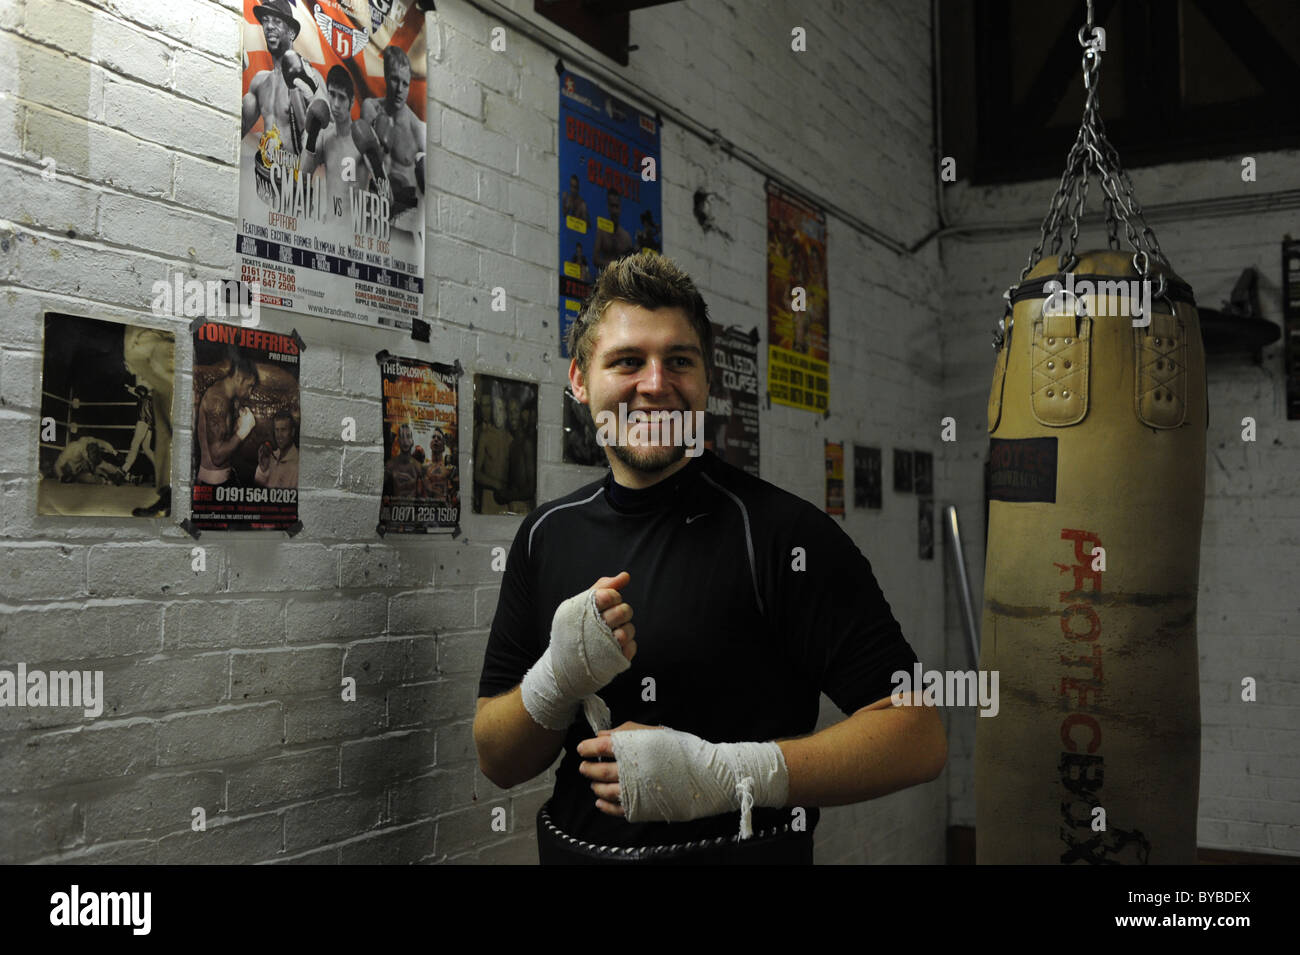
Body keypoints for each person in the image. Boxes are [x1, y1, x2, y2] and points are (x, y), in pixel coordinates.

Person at [474, 250, 945, 864]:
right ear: (580, 380)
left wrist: (726, 773)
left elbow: (918, 735)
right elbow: (498, 762)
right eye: (626, 361)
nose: (654, 383)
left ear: (705, 380)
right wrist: (553, 682)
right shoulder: (545, 535)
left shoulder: (782, 535)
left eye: (679, 361)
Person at [241, 0, 330, 178]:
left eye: (276, 21)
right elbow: (237, 130)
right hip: (264, 182)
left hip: (296, 188)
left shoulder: (310, 77)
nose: (269, 26)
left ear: (291, 32)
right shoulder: (259, 82)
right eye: (265, 20)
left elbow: (323, 121)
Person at [358, 45, 426, 220]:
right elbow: (366, 149)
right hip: (371, 206)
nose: (399, 90)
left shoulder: (417, 128)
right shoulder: (371, 108)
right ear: (386, 77)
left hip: (403, 214)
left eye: (405, 84)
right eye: (395, 80)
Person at [196, 356, 259, 486]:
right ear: (239, 378)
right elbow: (217, 457)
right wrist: (243, 431)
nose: (250, 392)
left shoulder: (229, 399)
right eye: (250, 386)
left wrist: (238, 426)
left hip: (225, 478)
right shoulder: (217, 401)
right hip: (212, 482)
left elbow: (227, 442)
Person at [254, 410, 299, 488]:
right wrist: (263, 470)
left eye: (283, 430)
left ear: (292, 432)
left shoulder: (299, 464)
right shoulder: (270, 456)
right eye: (277, 430)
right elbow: (258, 488)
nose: (279, 435)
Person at [592, 189, 635, 271]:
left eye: (617, 206)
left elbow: (631, 265)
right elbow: (595, 259)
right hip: (605, 278)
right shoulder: (602, 231)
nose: (614, 210)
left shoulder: (626, 237)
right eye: (612, 206)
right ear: (608, 206)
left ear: (620, 207)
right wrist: (614, 266)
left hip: (621, 281)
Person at [383, 421, 423, 499]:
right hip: (395, 508)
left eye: (408, 436)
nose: (405, 441)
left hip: (412, 509)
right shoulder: (390, 465)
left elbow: (421, 495)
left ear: (412, 441)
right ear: (398, 441)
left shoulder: (418, 467)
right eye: (402, 437)